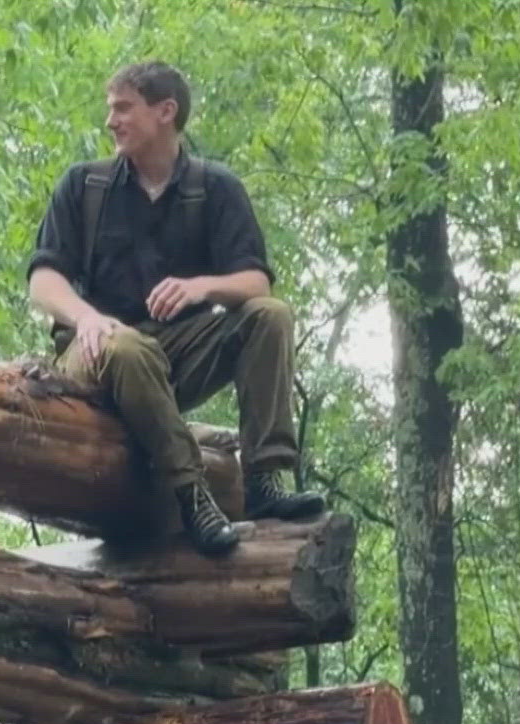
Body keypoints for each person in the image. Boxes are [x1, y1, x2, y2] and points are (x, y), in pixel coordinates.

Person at [27, 60, 325, 556]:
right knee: (126, 346)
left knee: (271, 316)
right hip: (95, 353)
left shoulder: (216, 188)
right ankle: (192, 493)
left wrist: (202, 287)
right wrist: (87, 317)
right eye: (110, 109)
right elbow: (42, 281)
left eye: (123, 108)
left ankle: (265, 480)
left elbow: (257, 283)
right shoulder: (84, 186)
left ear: (166, 111)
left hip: (172, 359)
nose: (111, 121)